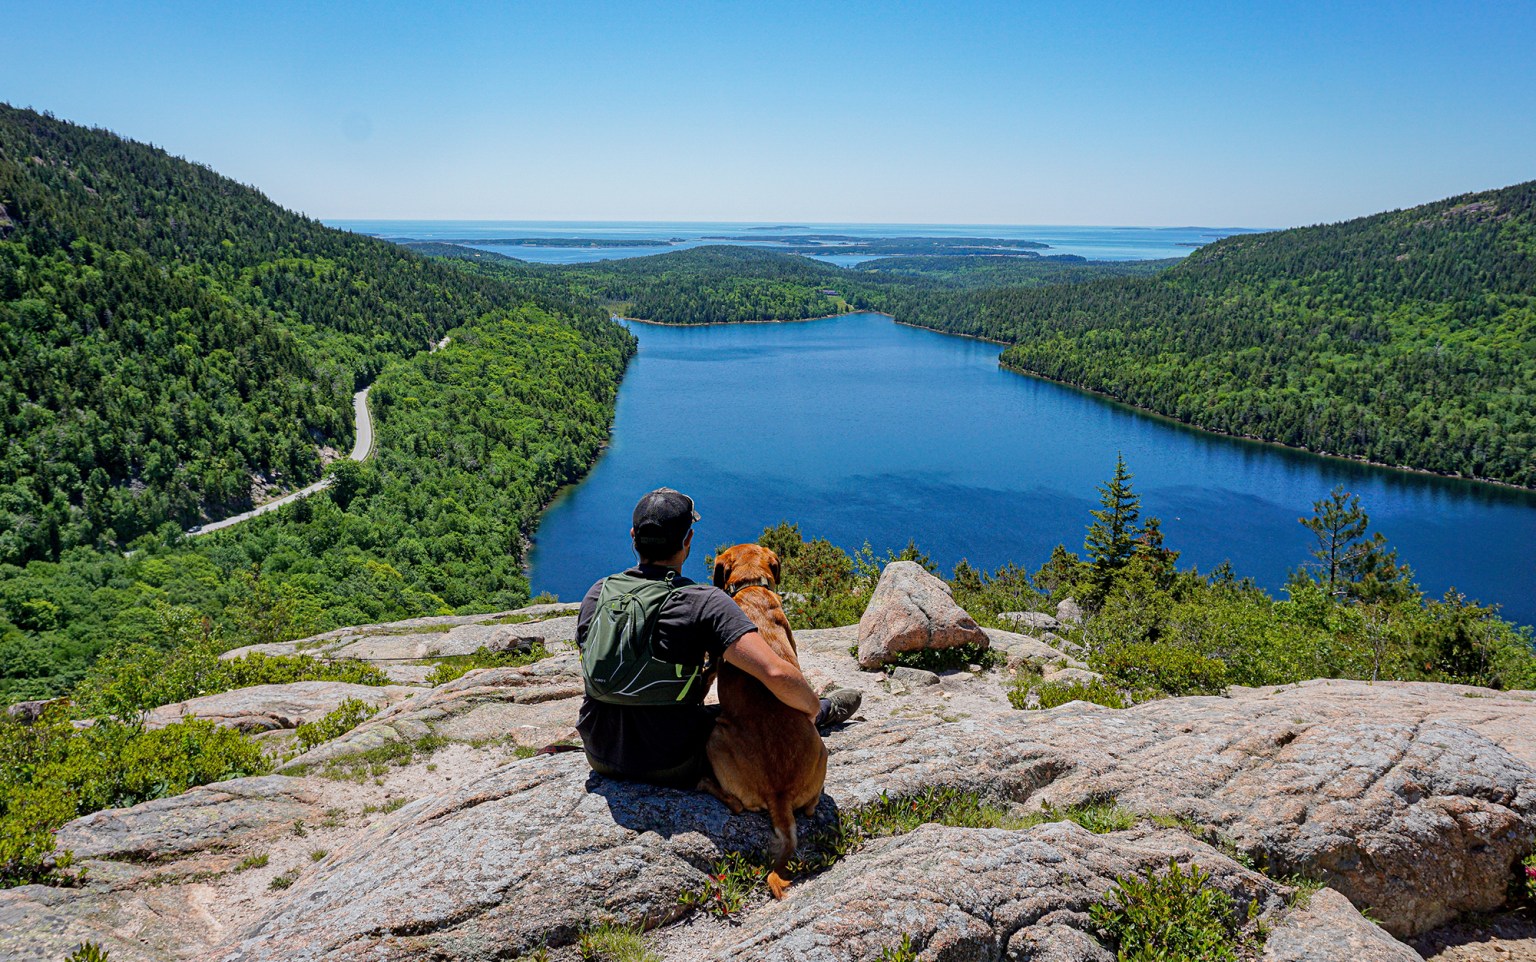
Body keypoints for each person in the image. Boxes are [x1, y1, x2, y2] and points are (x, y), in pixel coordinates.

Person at [575, 487, 862, 788]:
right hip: (671, 762)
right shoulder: (703, 601)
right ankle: (825, 711)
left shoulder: (598, 593)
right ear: (688, 540)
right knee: (759, 715)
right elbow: (775, 672)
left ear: (633, 536)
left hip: (599, 753)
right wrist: (812, 709)